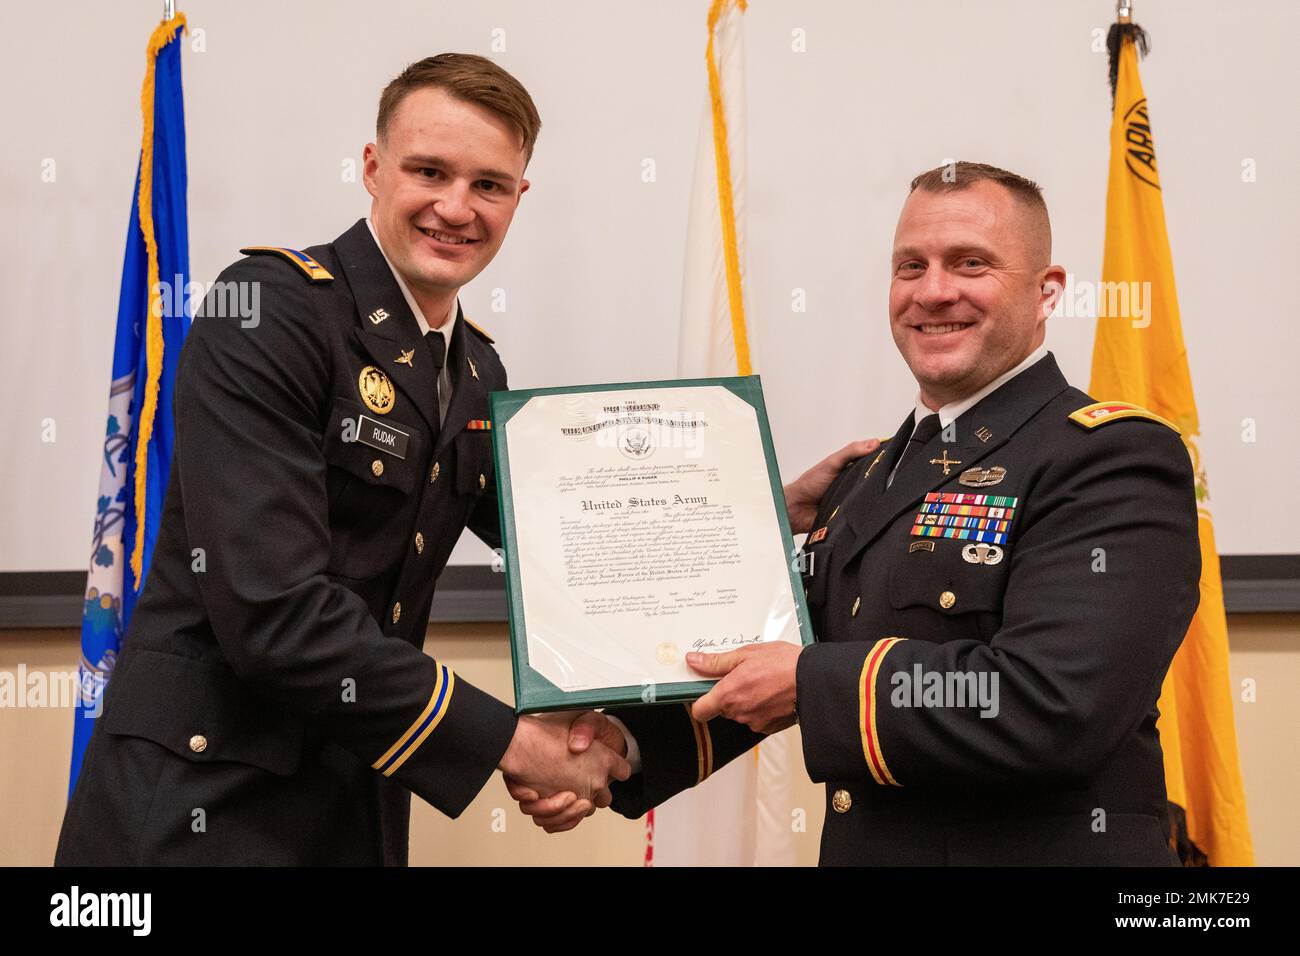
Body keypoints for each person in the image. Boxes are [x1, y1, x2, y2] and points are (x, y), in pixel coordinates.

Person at [517, 162, 1201, 865]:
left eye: (971, 264)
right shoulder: (866, 476)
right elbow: (763, 657)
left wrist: (811, 682)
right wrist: (615, 750)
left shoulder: (1114, 459)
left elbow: (1052, 704)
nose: (934, 291)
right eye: (911, 266)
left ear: (1047, 292)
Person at [55, 53, 629, 866]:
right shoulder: (266, 313)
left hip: (353, 806)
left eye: (489, 185)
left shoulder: (472, 370)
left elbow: (560, 535)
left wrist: (753, 510)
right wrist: (508, 742)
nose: (456, 208)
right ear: (372, 167)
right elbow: (274, 612)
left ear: (519, 197)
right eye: (429, 171)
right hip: (200, 809)